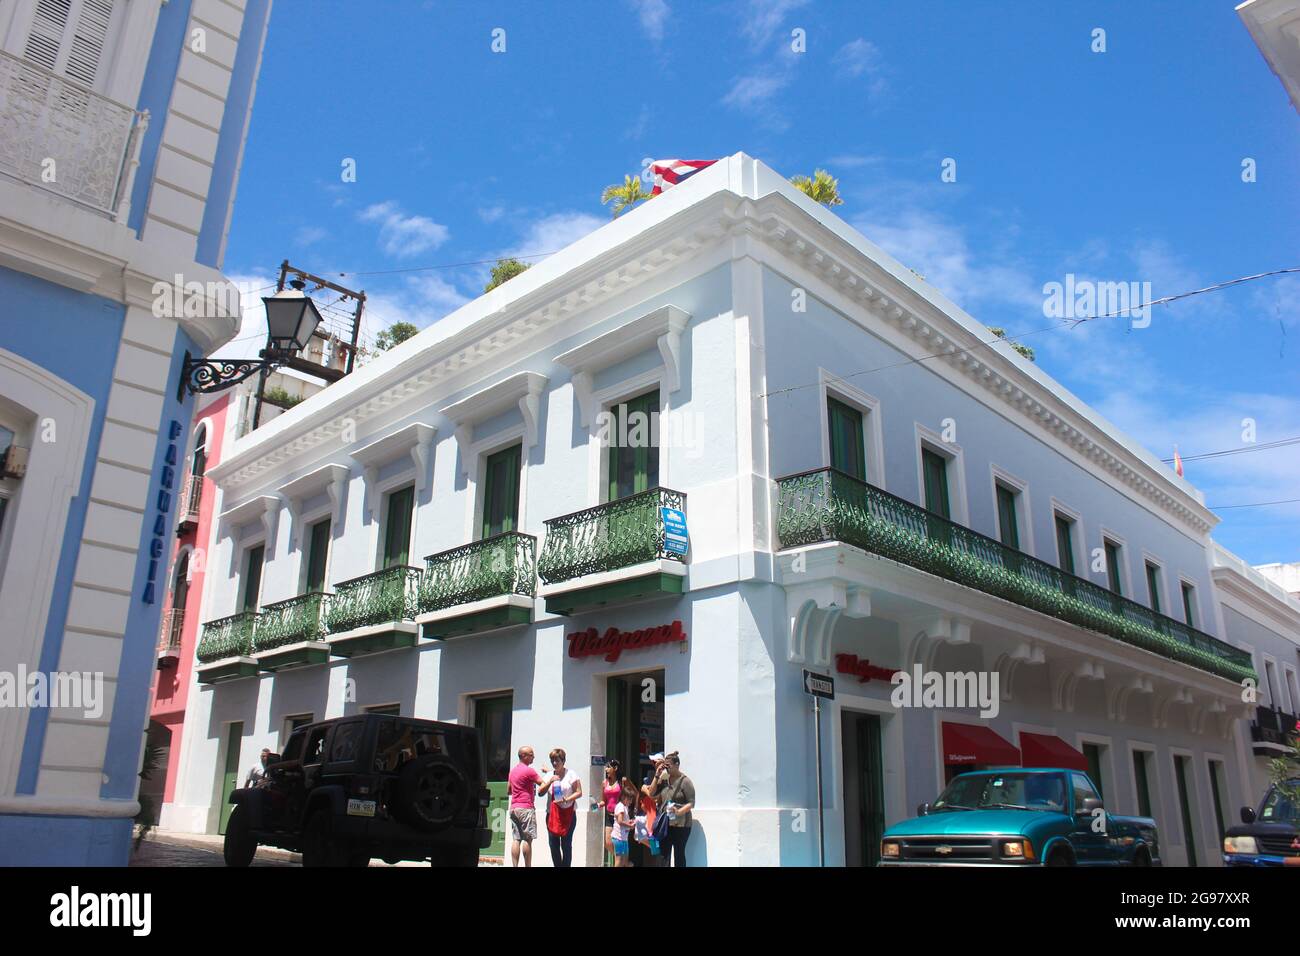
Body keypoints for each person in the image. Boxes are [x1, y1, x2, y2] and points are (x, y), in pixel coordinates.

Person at [538, 747, 582, 867]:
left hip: (569, 815)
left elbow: (579, 792)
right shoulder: (548, 775)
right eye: (552, 760)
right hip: (552, 815)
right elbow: (540, 792)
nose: (554, 763)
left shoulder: (571, 774)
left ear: (563, 760)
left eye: (557, 760)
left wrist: (566, 799)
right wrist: (550, 781)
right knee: (553, 845)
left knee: (566, 845)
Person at [507, 745, 542, 868]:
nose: (533, 756)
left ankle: (515, 865)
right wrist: (551, 778)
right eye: (531, 754)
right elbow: (542, 783)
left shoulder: (512, 771)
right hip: (526, 807)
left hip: (514, 808)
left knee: (516, 839)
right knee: (527, 839)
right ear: (524, 756)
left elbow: (509, 791)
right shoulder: (529, 771)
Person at [659, 751, 695, 866]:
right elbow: (652, 794)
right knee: (664, 854)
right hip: (666, 823)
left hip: (681, 825)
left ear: (677, 764)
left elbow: (691, 803)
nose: (667, 768)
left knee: (679, 854)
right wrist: (657, 774)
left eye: (668, 765)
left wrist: (679, 811)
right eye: (665, 765)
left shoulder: (685, 782)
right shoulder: (664, 780)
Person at [601, 759, 626, 861]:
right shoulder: (604, 783)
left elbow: (634, 793)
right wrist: (597, 804)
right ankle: (623, 861)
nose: (606, 769)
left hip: (619, 816)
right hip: (609, 815)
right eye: (606, 767)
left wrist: (635, 808)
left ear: (615, 768)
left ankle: (621, 861)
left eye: (608, 767)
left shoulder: (622, 782)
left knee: (618, 843)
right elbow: (603, 801)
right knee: (607, 843)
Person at [610, 784, 637, 867]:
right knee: (619, 861)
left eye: (631, 800)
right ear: (623, 797)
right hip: (619, 838)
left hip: (623, 838)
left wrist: (630, 822)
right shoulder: (621, 807)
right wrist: (630, 826)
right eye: (629, 799)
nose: (630, 802)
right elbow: (620, 821)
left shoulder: (625, 807)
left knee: (625, 861)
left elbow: (624, 821)